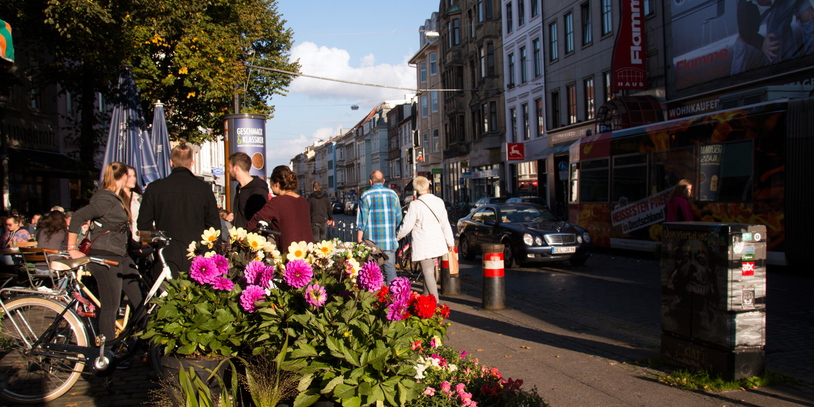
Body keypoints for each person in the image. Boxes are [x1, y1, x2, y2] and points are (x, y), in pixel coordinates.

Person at [66, 162, 143, 344]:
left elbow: (116, 229)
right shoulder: (105, 199)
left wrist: (137, 247)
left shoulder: (115, 198)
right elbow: (78, 216)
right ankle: (106, 352)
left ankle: (142, 345)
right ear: (123, 177)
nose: (132, 179)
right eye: (131, 176)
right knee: (111, 306)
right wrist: (71, 248)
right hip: (104, 257)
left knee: (140, 300)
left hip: (120, 256)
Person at [138, 142, 220, 277]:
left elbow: (143, 226)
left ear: (171, 162)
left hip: (165, 256)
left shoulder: (155, 188)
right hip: (197, 259)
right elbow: (214, 228)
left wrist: (157, 243)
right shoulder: (204, 189)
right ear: (192, 163)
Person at [396, 177, 454, 302]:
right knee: (429, 273)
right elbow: (445, 223)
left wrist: (396, 237)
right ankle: (425, 301)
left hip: (423, 244)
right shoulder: (439, 201)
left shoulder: (415, 205)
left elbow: (407, 225)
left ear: (416, 190)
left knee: (427, 272)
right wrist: (450, 242)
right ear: (428, 187)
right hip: (437, 243)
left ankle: (435, 303)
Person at [248, 165, 313, 250]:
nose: (271, 187)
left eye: (271, 184)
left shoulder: (277, 201)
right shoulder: (303, 200)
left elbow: (253, 223)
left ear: (277, 184)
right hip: (308, 251)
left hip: (290, 254)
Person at [356, 170, 402, 285]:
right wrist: (391, 230)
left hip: (372, 244)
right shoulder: (393, 194)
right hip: (389, 242)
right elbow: (399, 217)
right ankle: (393, 299)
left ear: (370, 181)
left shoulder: (366, 195)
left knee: (373, 274)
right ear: (383, 181)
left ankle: (376, 298)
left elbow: (362, 219)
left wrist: (359, 239)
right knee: (390, 271)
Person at [228, 152, 269, 229]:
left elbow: (261, 221)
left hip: (251, 239)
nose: (228, 170)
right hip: (240, 238)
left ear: (236, 168)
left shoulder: (258, 191)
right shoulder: (240, 188)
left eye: (229, 167)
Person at [120, 166, 143, 241]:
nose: (133, 179)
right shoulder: (119, 199)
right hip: (125, 241)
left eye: (134, 176)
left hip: (139, 240)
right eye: (129, 176)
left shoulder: (138, 197)